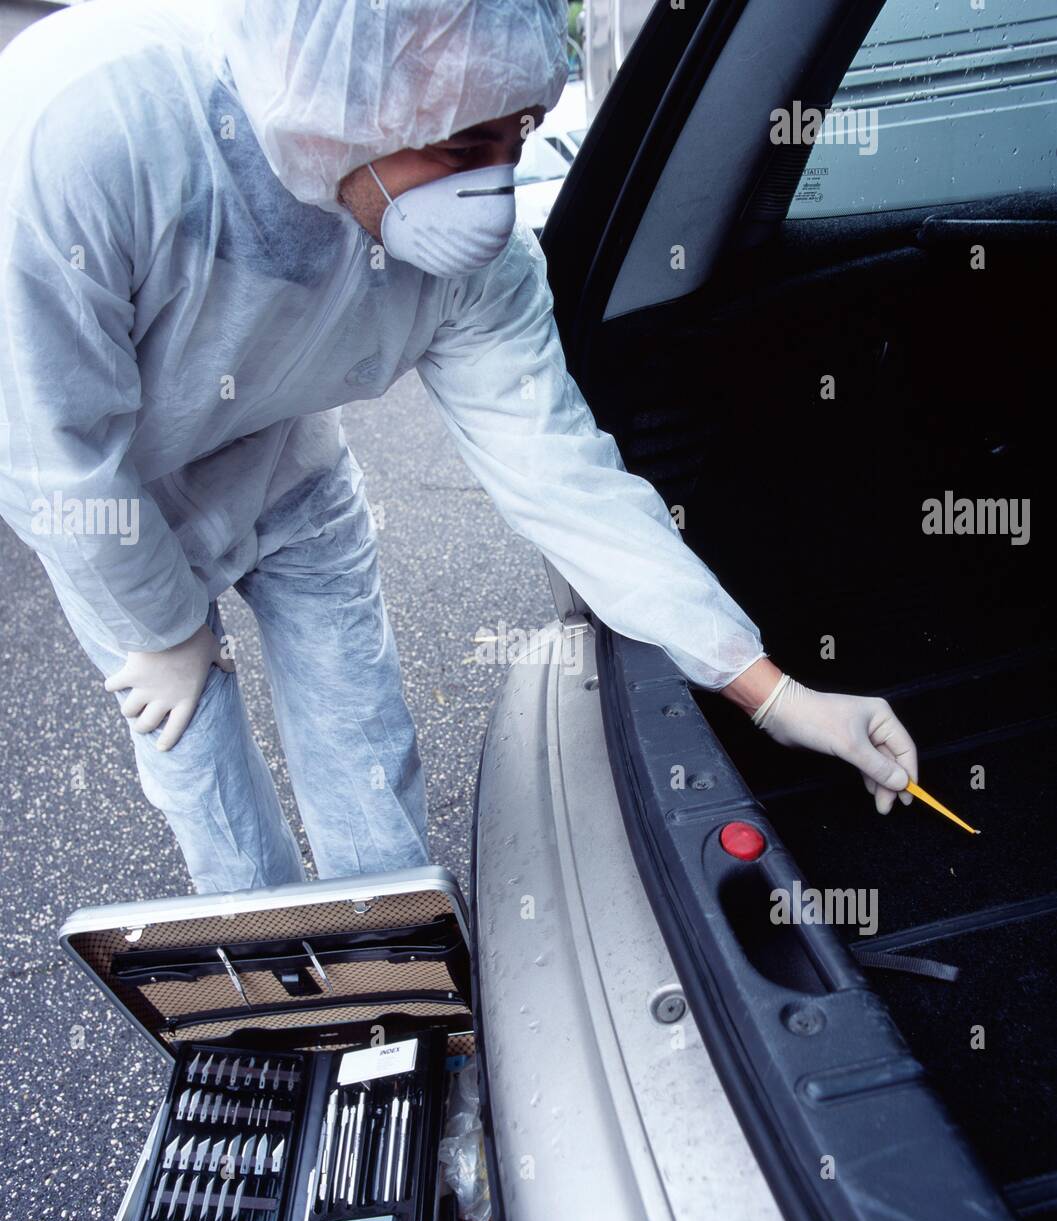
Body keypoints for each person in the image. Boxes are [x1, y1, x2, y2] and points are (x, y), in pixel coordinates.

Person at [0, 0, 916, 896]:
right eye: (458, 144)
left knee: (361, 743)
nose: (489, 190)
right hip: (117, 506)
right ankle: (268, 994)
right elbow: (53, 449)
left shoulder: (478, 268)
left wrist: (776, 696)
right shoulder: (88, 128)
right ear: (344, 98)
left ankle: (392, 968)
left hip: (285, 467)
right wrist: (163, 628)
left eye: (516, 138)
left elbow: (566, 482)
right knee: (201, 769)